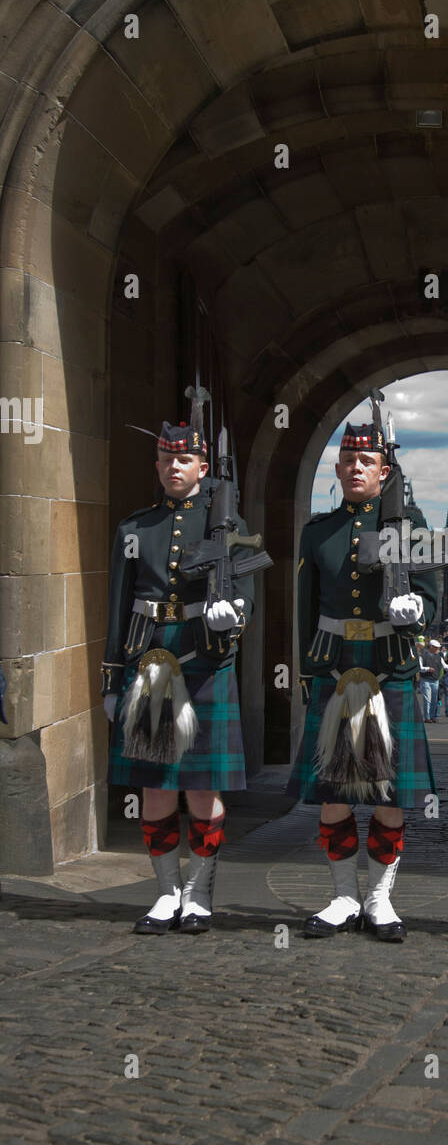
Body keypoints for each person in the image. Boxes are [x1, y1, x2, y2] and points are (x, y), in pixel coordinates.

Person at [102, 395, 256, 935]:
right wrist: (110, 680)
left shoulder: (225, 522)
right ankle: (166, 892)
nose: (173, 467)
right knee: (156, 784)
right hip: (148, 662)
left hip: (204, 656)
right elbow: (118, 607)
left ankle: (199, 892)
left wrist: (232, 612)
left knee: (200, 785)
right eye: (166, 459)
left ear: (202, 468)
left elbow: (248, 588)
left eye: (183, 460)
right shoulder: (133, 529)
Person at [285, 413, 437, 941]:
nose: (355, 468)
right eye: (348, 459)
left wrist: (418, 608)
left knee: (389, 792)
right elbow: (305, 608)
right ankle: (342, 896)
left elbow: (434, 592)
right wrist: (307, 673)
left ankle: (379, 899)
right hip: (334, 664)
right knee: (334, 790)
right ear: (337, 465)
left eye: (366, 461)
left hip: (388, 663)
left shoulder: (409, 527)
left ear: (384, 470)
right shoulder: (318, 532)